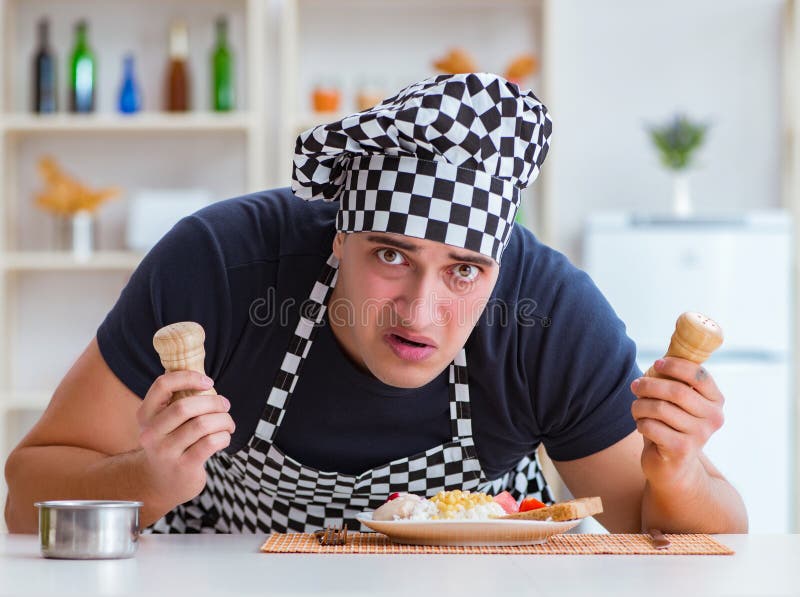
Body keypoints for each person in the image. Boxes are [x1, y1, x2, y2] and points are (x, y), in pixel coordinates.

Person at [4, 73, 747, 534]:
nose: (419, 313)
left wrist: (679, 474)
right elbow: (25, 492)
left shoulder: (551, 313)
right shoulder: (219, 269)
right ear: (339, 237)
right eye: (392, 256)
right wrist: (149, 477)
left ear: (499, 267)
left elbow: (687, 541)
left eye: (464, 271)